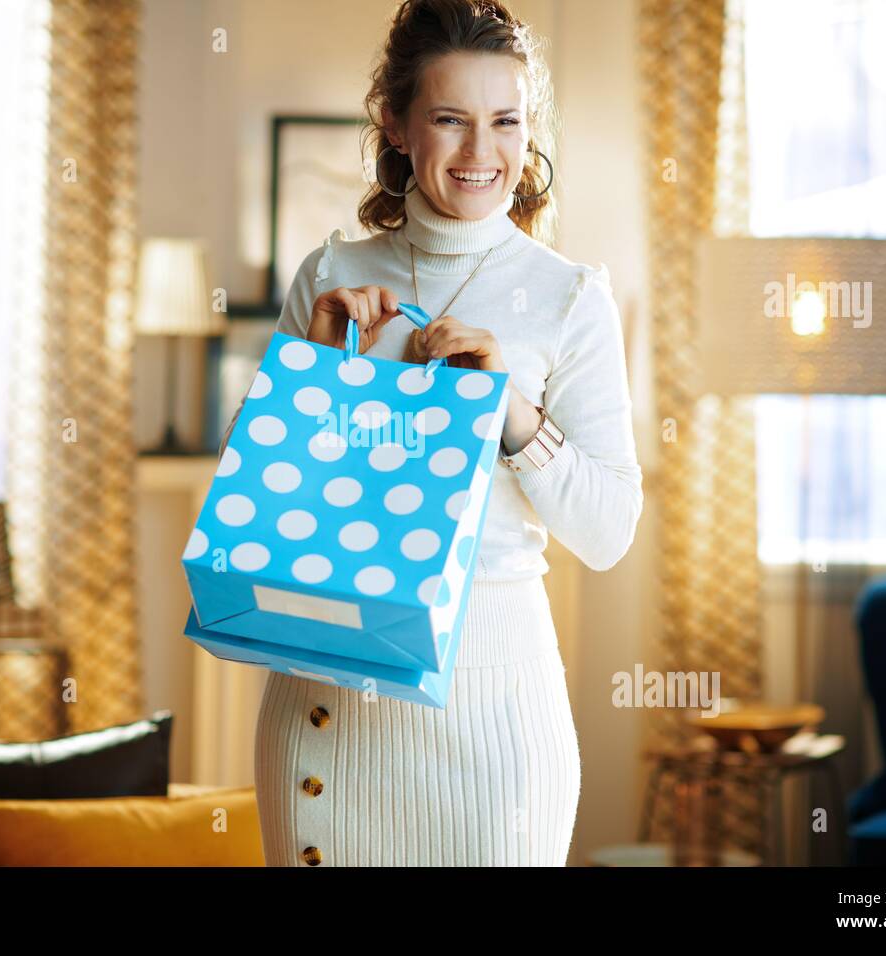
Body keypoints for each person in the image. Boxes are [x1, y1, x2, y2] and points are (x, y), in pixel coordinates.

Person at [221, 0, 643, 866]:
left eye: (506, 121)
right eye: (450, 119)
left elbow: (607, 532)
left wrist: (513, 416)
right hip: (324, 699)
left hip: (494, 713)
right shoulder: (333, 276)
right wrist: (305, 365)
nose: (481, 152)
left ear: (531, 132)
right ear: (398, 125)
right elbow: (247, 500)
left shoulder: (569, 297)